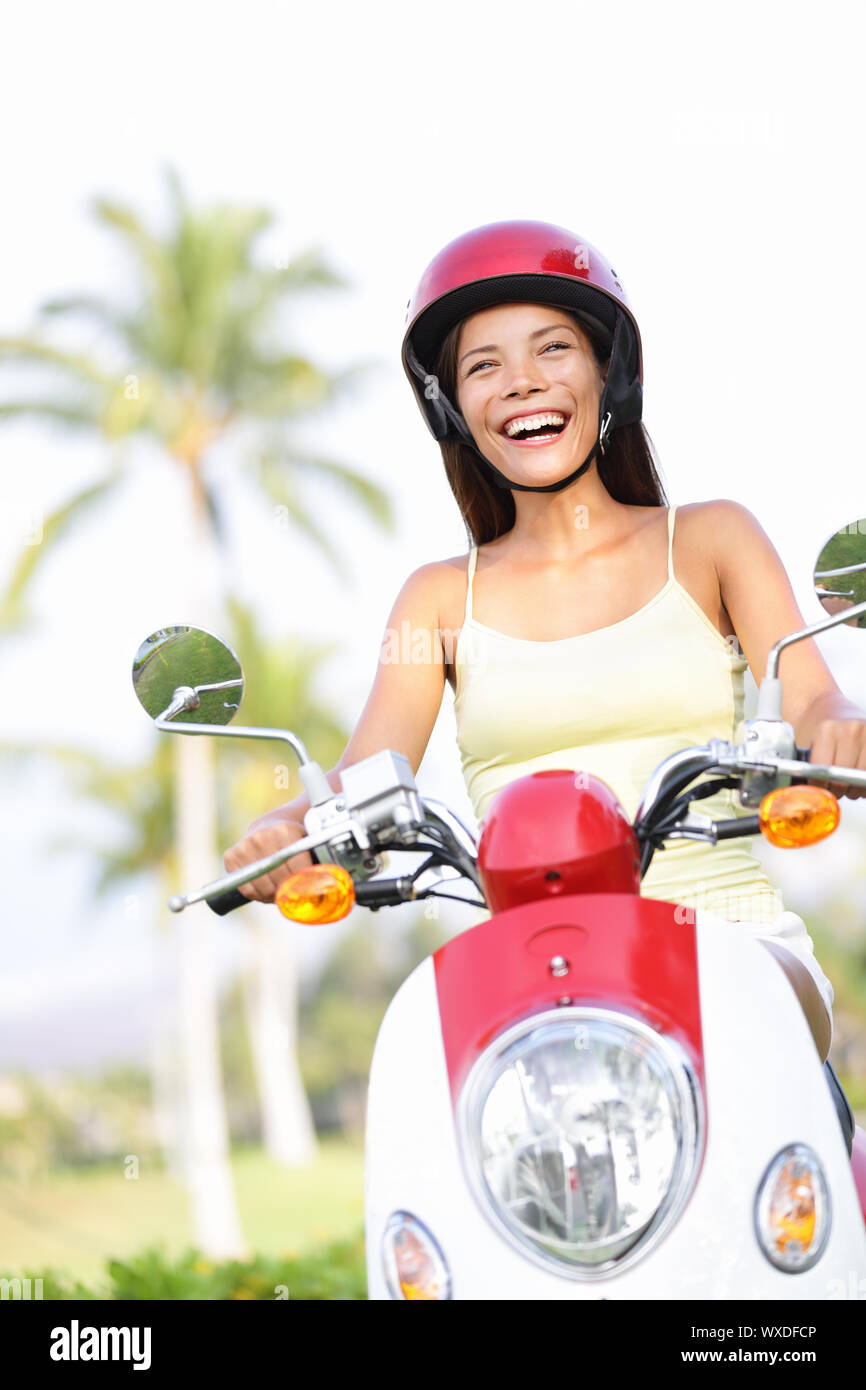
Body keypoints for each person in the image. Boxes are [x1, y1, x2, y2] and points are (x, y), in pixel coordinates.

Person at [224, 219, 866, 1064]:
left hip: (733, 943)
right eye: (483, 366)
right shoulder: (439, 598)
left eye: (552, 349)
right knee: (419, 1074)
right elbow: (366, 774)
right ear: (453, 407)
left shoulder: (713, 541)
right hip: (538, 985)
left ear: (610, 372)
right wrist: (287, 824)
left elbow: (813, 689)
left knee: (745, 1022)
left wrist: (840, 721)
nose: (522, 383)